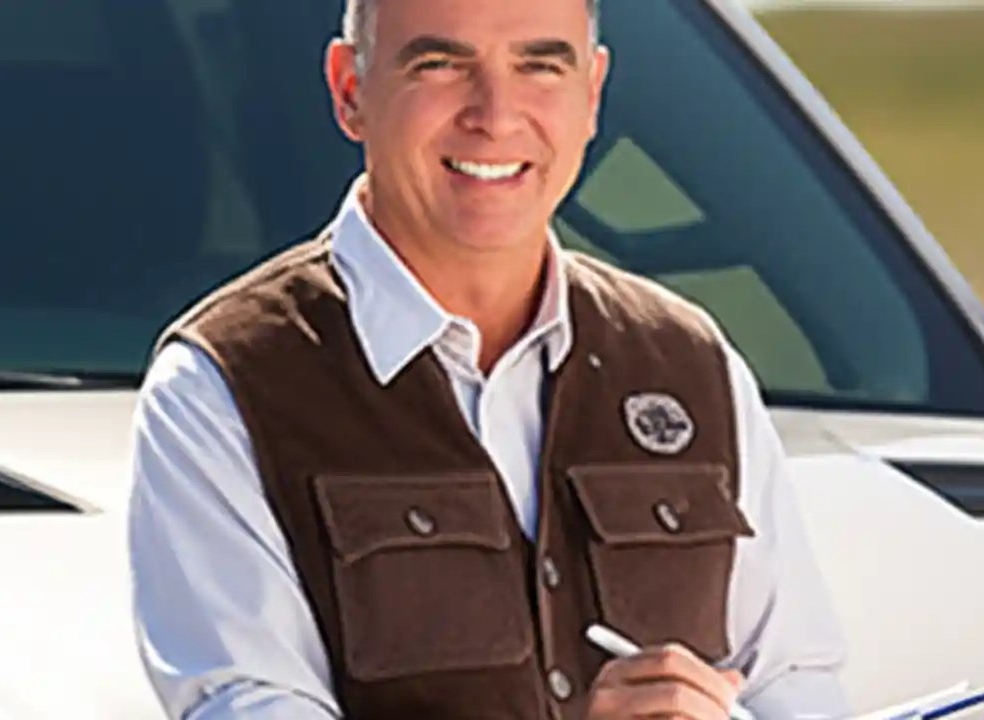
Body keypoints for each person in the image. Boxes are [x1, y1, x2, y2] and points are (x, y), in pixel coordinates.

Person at [127, 0, 850, 717]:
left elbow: (794, 686)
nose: (496, 114)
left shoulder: (694, 365)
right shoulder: (224, 387)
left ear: (591, 95)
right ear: (351, 91)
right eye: (440, 64)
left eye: (541, 65)